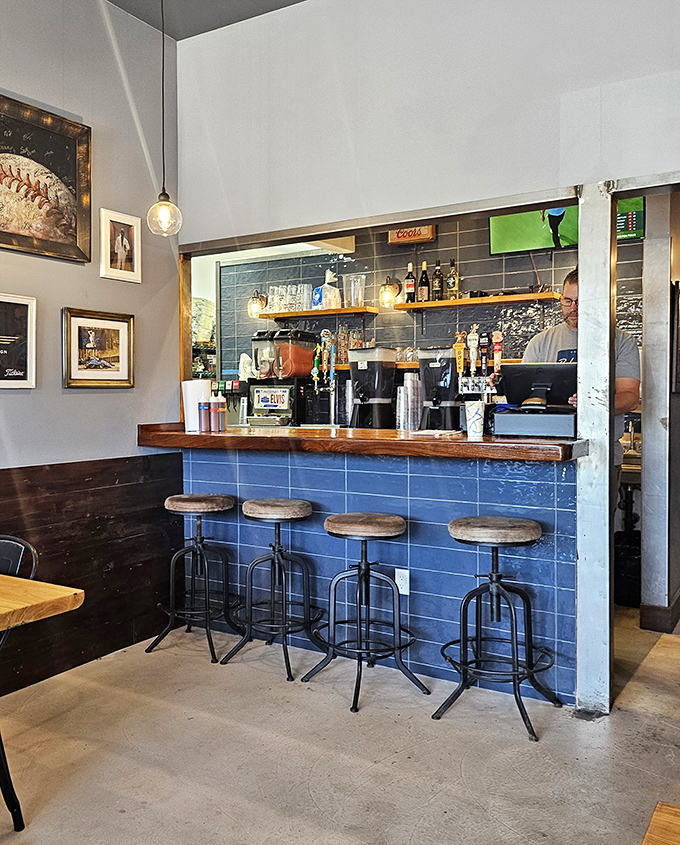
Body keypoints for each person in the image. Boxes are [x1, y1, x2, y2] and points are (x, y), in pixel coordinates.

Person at [522, 267, 641, 469]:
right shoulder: (540, 342)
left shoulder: (621, 341)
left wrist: (593, 405)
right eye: (568, 301)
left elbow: (630, 397)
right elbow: (524, 396)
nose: (573, 308)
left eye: (581, 301)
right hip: (551, 452)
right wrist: (503, 385)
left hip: (603, 456)